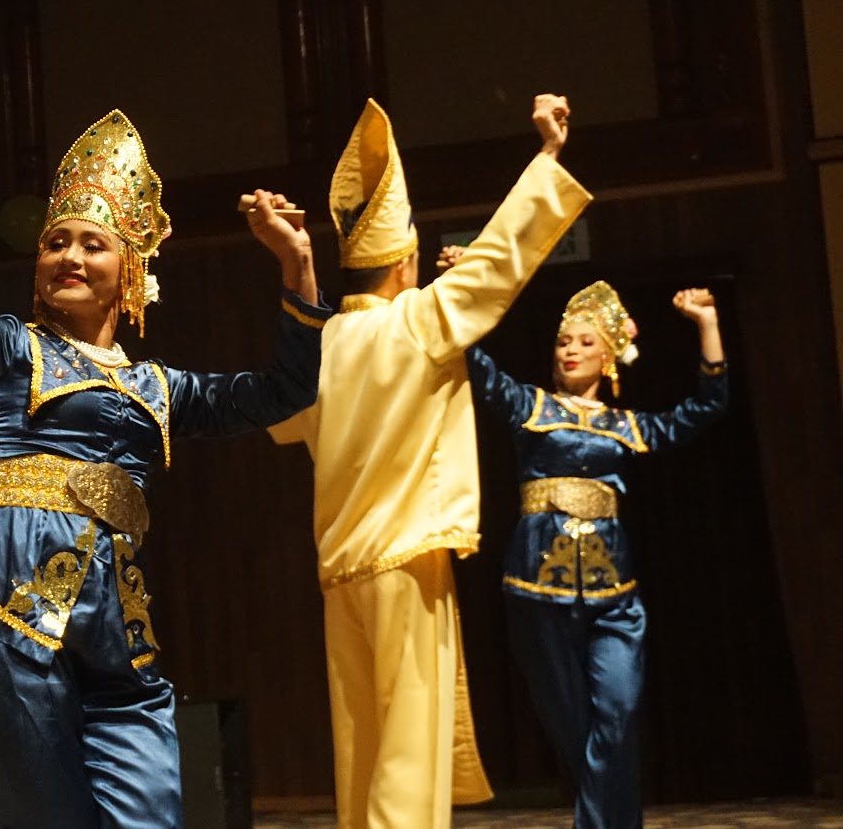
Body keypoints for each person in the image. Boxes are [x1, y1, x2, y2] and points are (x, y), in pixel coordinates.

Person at [0, 110, 329, 827]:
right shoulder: (10, 351)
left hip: (116, 626)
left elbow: (283, 392)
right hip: (7, 607)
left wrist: (298, 266)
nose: (70, 256)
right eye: (55, 243)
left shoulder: (163, 389)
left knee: (149, 809)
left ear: (131, 272)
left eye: (93, 244)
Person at [268, 94, 594, 829]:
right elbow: (498, 262)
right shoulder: (416, 322)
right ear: (408, 259)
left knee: (362, 744)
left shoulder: (321, 347)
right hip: (404, 557)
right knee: (408, 750)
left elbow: (282, 423)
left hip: (340, 569)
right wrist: (546, 156)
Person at [445, 272, 727, 829]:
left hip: (615, 597)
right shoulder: (529, 405)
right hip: (537, 590)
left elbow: (705, 408)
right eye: (562, 341)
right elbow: (474, 361)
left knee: (617, 715)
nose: (570, 351)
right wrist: (463, 284)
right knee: (574, 730)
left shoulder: (626, 427)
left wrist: (708, 323)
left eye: (585, 342)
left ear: (610, 357)